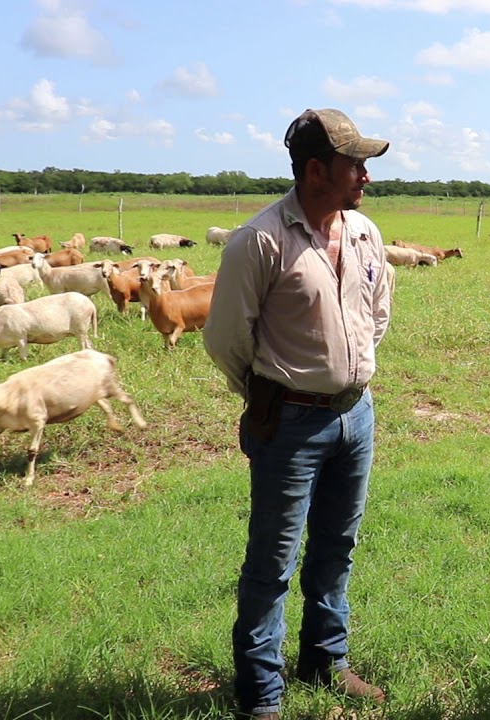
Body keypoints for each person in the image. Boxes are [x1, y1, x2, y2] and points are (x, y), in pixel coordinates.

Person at [203, 107, 393, 719]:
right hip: (287, 424)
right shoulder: (259, 240)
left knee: (338, 545)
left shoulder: (366, 234)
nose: (365, 175)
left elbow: (376, 314)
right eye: (354, 163)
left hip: (355, 416)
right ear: (316, 170)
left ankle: (325, 661)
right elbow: (227, 340)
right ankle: (261, 694)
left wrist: (350, 376)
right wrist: (274, 396)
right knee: (273, 561)